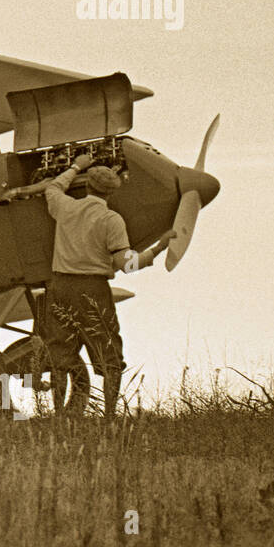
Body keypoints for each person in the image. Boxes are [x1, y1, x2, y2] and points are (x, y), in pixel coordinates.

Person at [34, 153, 174, 414]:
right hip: (93, 289)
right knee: (108, 354)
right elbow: (126, 264)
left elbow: (53, 187)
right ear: (111, 193)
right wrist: (158, 248)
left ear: (87, 185)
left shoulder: (65, 207)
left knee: (59, 353)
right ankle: (109, 413)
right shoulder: (112, 221)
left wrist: (77, 167)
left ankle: (58, 413)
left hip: (61, 286)